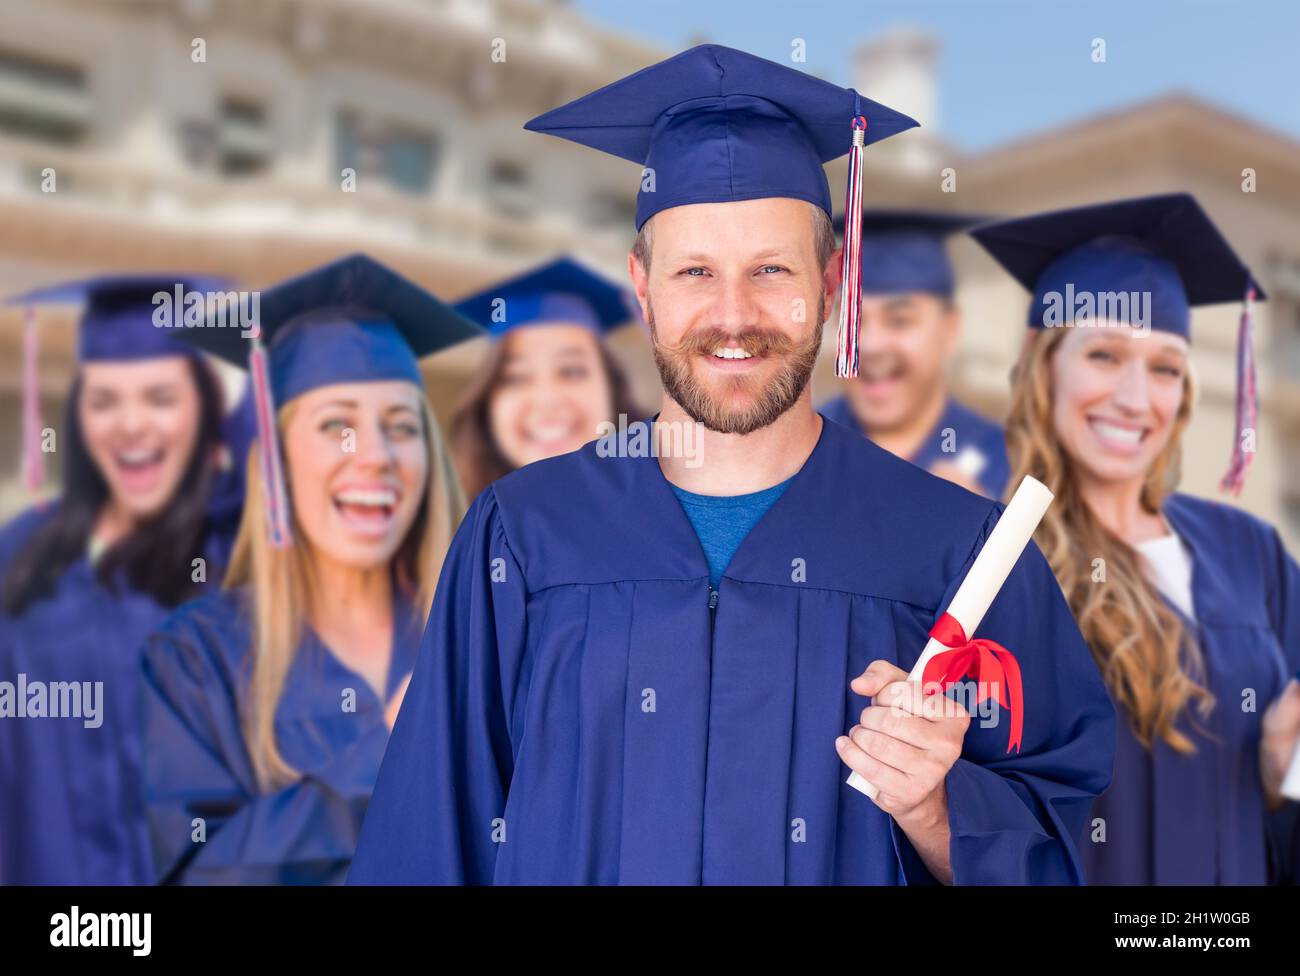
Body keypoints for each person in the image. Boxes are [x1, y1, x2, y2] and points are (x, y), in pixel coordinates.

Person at [350, 45, 1115, 886]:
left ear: (830, 281)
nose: (733, 317)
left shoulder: (957, 551)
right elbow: (427, 838)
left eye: (771, 271)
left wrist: (938, 809)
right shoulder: (524, 535)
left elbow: (1068, 843)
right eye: (695, 273)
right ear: (642, 286)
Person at [972, 193, 1300, 884]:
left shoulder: (1254, 553)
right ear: (1043, 362)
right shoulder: (987, 559)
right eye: (1104, 354)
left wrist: (1279, 777)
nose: (1134, 397)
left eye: (1165, 368)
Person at [138, 254, 481, 884]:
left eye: (401, 427)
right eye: (337, 425)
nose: (375, 456)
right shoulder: (197, 661)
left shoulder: (479, 639)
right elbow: (195, 876)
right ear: (277, 463)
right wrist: (386, 744)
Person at [0, 274, 246, 884]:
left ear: (205, 411)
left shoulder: (231, 553)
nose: (129, 424)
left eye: (160, 397)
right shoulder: (24, 553)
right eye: (103, 400)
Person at [820, 210, 1009, 498]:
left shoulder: (1005, 463)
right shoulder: (801, 451)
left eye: (899, 320)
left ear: (949, 330)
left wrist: (989, 534)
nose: (871, 345)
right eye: (853, 322)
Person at [450, 256, 642, 497]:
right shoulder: (463, 531)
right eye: (515, 378)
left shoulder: (674, 520)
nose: (547, 398)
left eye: (572, 371)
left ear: (611, 387)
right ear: (487, 405)